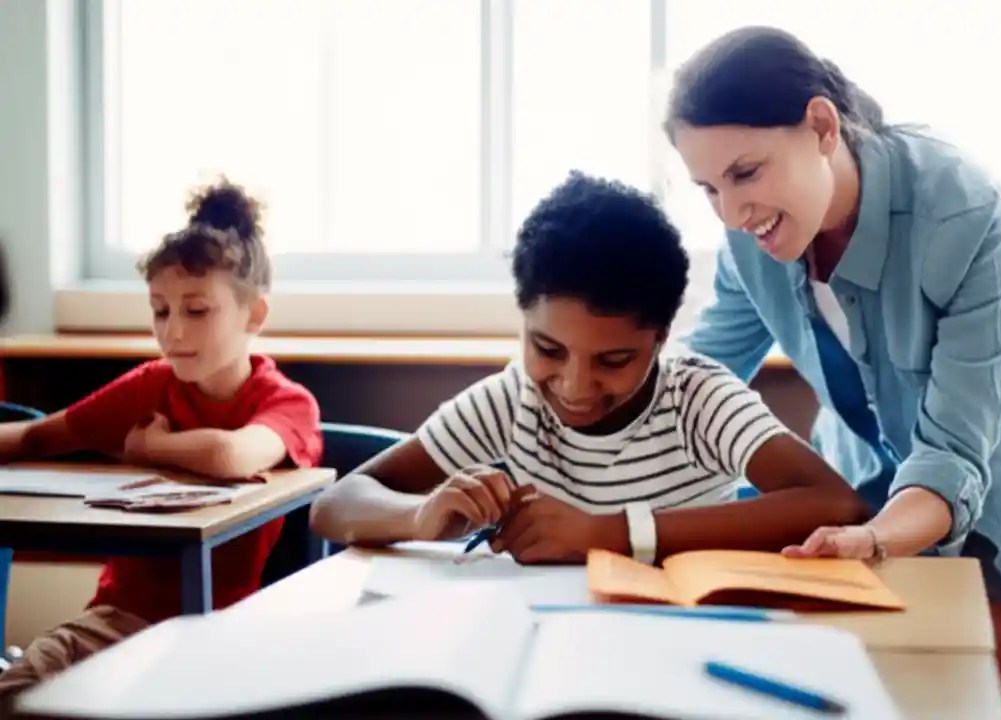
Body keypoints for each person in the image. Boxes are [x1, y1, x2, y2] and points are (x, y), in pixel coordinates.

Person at [665, 26, 1001, 719]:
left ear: (821, 125)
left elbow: (950, 455)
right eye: (708, 189)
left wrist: (875, 536)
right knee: (868, 622)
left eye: (746, 173)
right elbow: (693, 386)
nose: (731, 214)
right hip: (881, 412)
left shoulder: (966, 214)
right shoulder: (751, 237)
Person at [309, 172, 866, 564]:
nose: (575, 386)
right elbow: (335, 504)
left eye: (615, 360)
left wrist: (608, 533)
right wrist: (419, 516)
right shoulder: (513, 399)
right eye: (548, 349)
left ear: (660, 339)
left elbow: (837, 503)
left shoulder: (697, 399)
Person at [0, 178, 323, 698]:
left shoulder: (287, 402)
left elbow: (230, 453)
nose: (172, 333)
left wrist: (153, 448)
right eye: (160, 310)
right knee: (21, 690)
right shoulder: (152, 385)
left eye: (196, 311)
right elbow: (38, 437)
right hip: (117, 621)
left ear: (255, 314)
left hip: (220, 633)